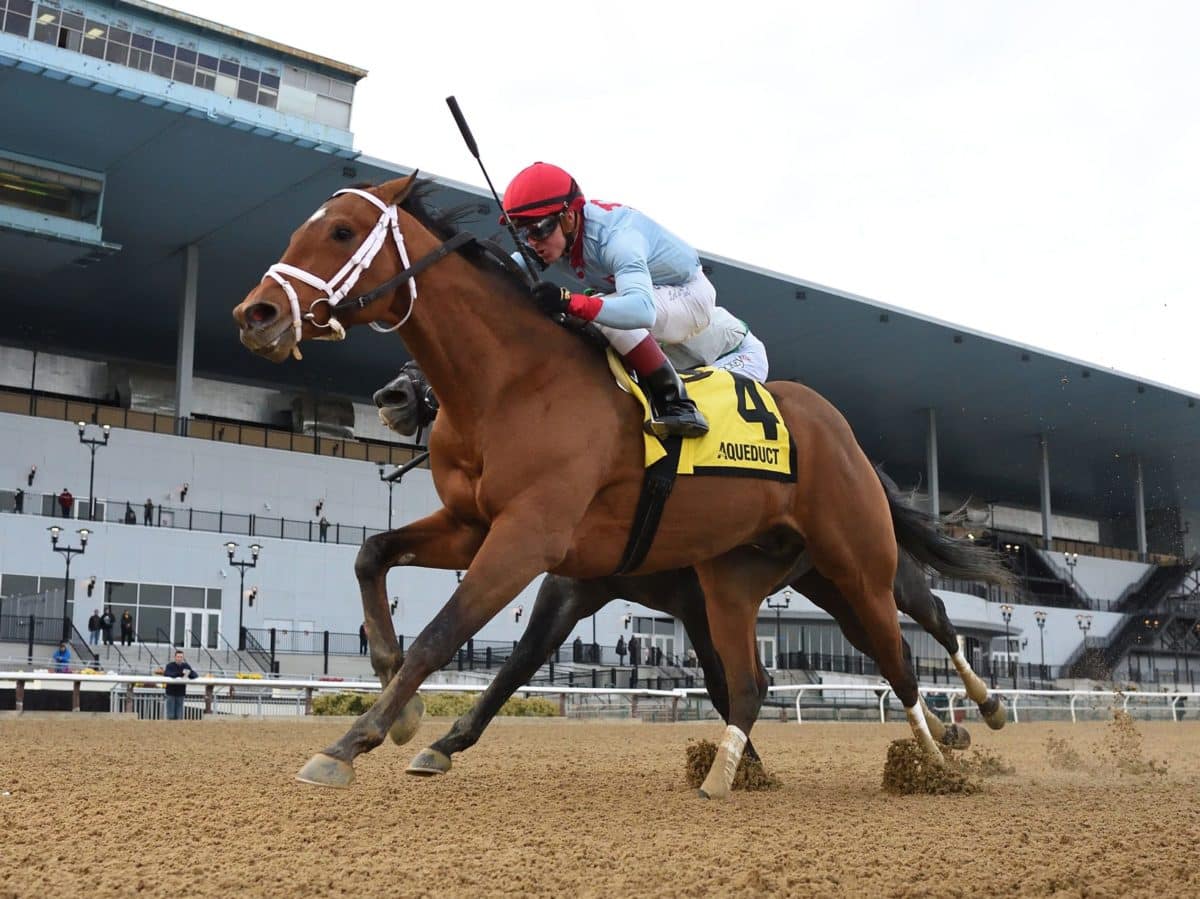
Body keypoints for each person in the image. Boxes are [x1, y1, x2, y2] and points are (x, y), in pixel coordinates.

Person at [500, 163, 770, 438]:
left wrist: (568, 300)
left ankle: (678, 404)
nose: (531, 242)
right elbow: (503, 274)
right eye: (521, 233)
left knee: (606, 316)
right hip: (663, 311)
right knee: (595, 317)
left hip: (706, 316)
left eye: (536, 230)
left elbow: (641, 312)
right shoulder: (558, 238)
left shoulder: (618, 239)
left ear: (569, 217)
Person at [162, 649, 198, 720]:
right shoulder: (170, 665)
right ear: (175, 657)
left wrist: (189, 673)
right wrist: (180, 674)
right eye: (178, 657)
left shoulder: (186, 665)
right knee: (170, 715)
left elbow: (195, 675)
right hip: (170, 692)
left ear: (183, 658)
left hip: (181, 693)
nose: (179, 658)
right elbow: (167, 674)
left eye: (181, 657)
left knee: (179, 715)